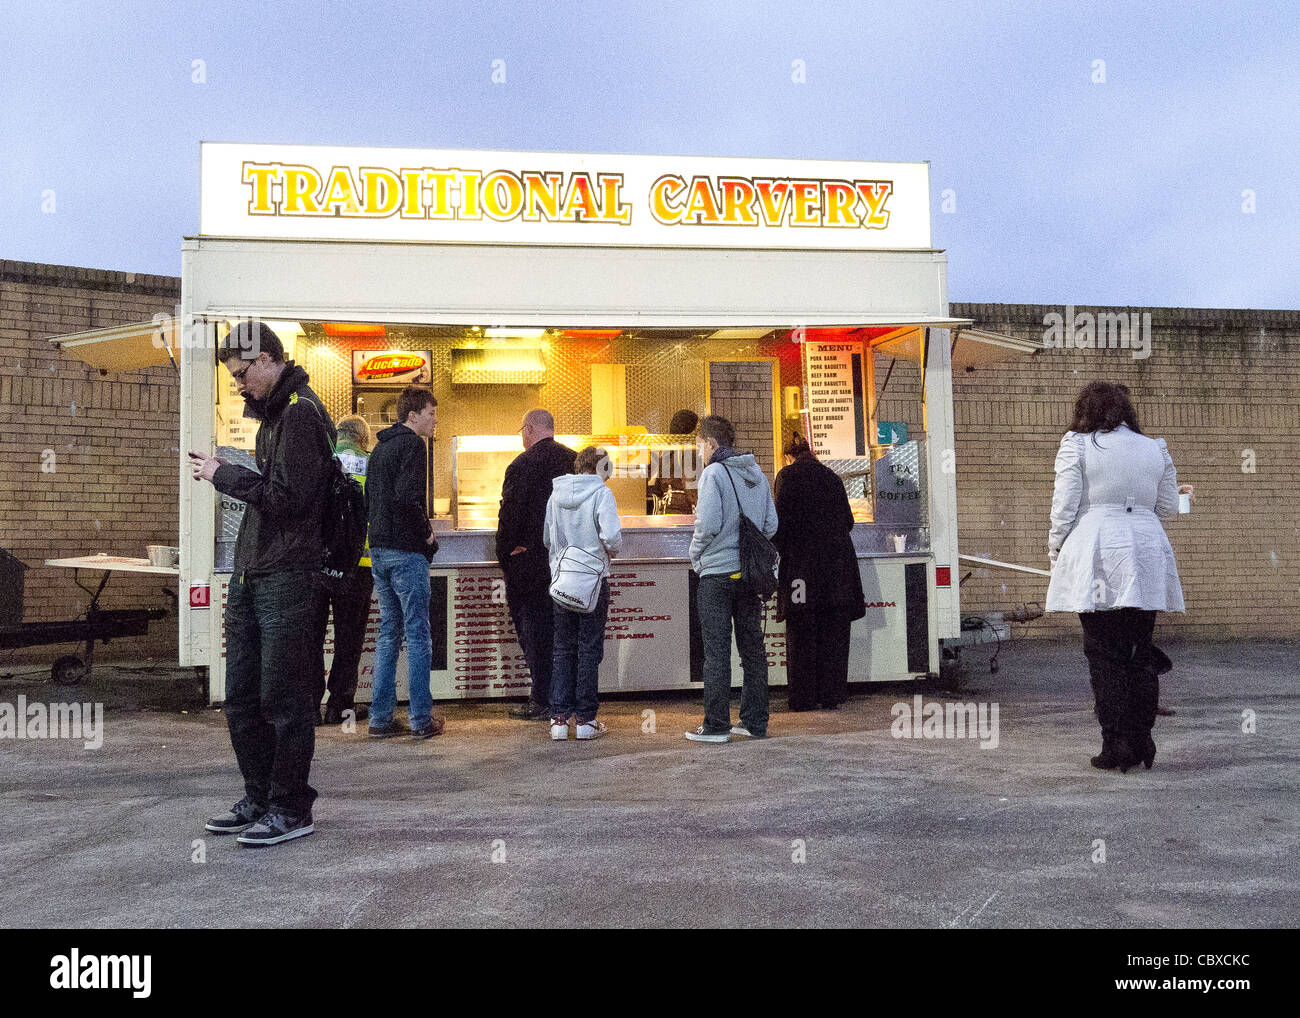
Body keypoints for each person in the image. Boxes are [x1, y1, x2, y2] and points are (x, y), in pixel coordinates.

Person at [189, 320, 333, 847]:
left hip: (287, 575)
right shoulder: (273, 417)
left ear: (271, 360)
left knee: (284, 695)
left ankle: (291, 807)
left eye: (244, 373)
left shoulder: (299, 416)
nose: (240, 384)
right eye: (233, 377)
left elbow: (290, 500)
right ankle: (258, 797)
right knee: (242, 695)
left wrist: (223, 474)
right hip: (256, 573)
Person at [1045, 381, 1185, 773]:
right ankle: (1143, 739)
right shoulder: (1155, 448)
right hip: (1145, 550)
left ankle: (1116, 744)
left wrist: (1056, 547)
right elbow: (1168, 507)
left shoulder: (1077, 444)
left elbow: (1065, 505)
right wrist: (1138, 525)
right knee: (1140, 650)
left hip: (1097, 549)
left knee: (1103, 653)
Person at [685, 414, 777, 743]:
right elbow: (770, 525)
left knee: (717, 651)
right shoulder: (757, 474)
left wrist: (696, 555)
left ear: (711, 443)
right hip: (749, 576)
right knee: (753, 648)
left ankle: (716, 726)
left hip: (718, 574)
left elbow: (707, 523)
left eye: (700, 446)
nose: (700, 453)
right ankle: (754, 721)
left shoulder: (714, 473)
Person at [365, 385, 442, 739]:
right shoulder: (413, 444)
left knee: (388, 634)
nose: (434, 420)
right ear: (413, 416)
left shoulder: (379, 447)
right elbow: (408, 498)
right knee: (418, 635)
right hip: (406, 553)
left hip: (379, 551)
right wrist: (427, 535)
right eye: (430, 413)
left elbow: (373, 498)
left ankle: (380, 719)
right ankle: (421, 720)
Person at [772, 433, 865, 711]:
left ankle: (803, 697)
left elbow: (780, 523)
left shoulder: (786, 476)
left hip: (802, 568)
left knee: (802, 632)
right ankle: (832, 694)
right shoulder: (832, 477)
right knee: (833, 632)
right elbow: (848, 521)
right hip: (837, 568)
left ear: (788, 456)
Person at [497, 409, 577, 721]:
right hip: (568, 563)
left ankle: (542, 699)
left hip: (529, 564)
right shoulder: (574, 461)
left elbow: (510, 515)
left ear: (529, 429)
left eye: (521, 430)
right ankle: (568, 700)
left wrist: (505, 554)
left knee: (535, 634)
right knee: (565, 632)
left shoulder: (522, 464)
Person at [544, 446, 622, 741]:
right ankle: (586, 721)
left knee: (562, 649)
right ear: (602, 467)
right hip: (593, 582)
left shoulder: (556, 494)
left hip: (562, 582)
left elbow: (546, 537)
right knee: (588, 650)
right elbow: (613, 537)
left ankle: (559, 721)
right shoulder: (602, 494)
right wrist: (606, 553)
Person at [316, 414, 374, 725]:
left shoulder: (323, 460)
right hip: (358, 566)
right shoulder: (371, 464)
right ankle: (339, 704)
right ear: (364, 439)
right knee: (349, 639)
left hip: (318, 564)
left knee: (310, 636)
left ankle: (309, 706)